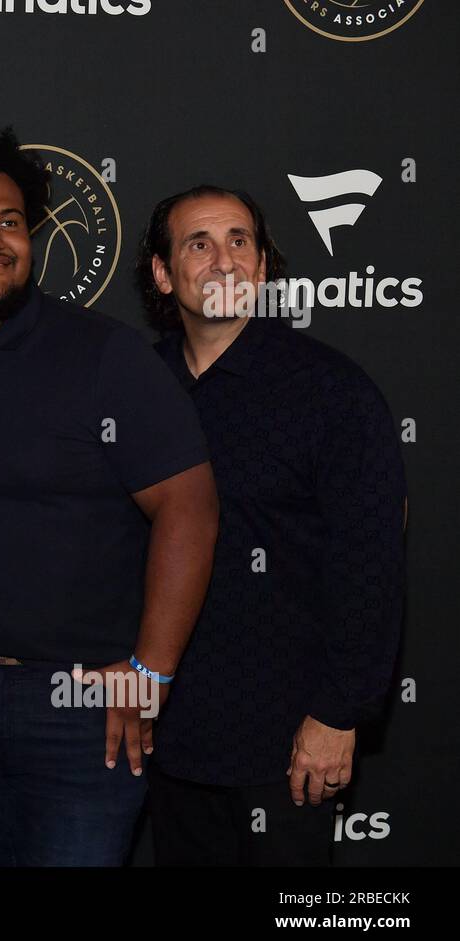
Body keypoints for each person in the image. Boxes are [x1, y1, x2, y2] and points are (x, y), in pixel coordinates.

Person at [0, 119, 219, 865]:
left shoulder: (103, 357)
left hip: (82, 704)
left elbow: (189, 506)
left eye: (11, 222)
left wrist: (151, 671)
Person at [135, 185, 407, 865]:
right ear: (165, 274)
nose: (223, 260)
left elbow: (370, 564)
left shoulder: (331, 393)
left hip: (286, 742)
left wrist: (338, 713)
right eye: (198, 243)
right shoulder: (136, 389)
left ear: (261, 269)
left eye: (239, 241)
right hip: (165, 739)